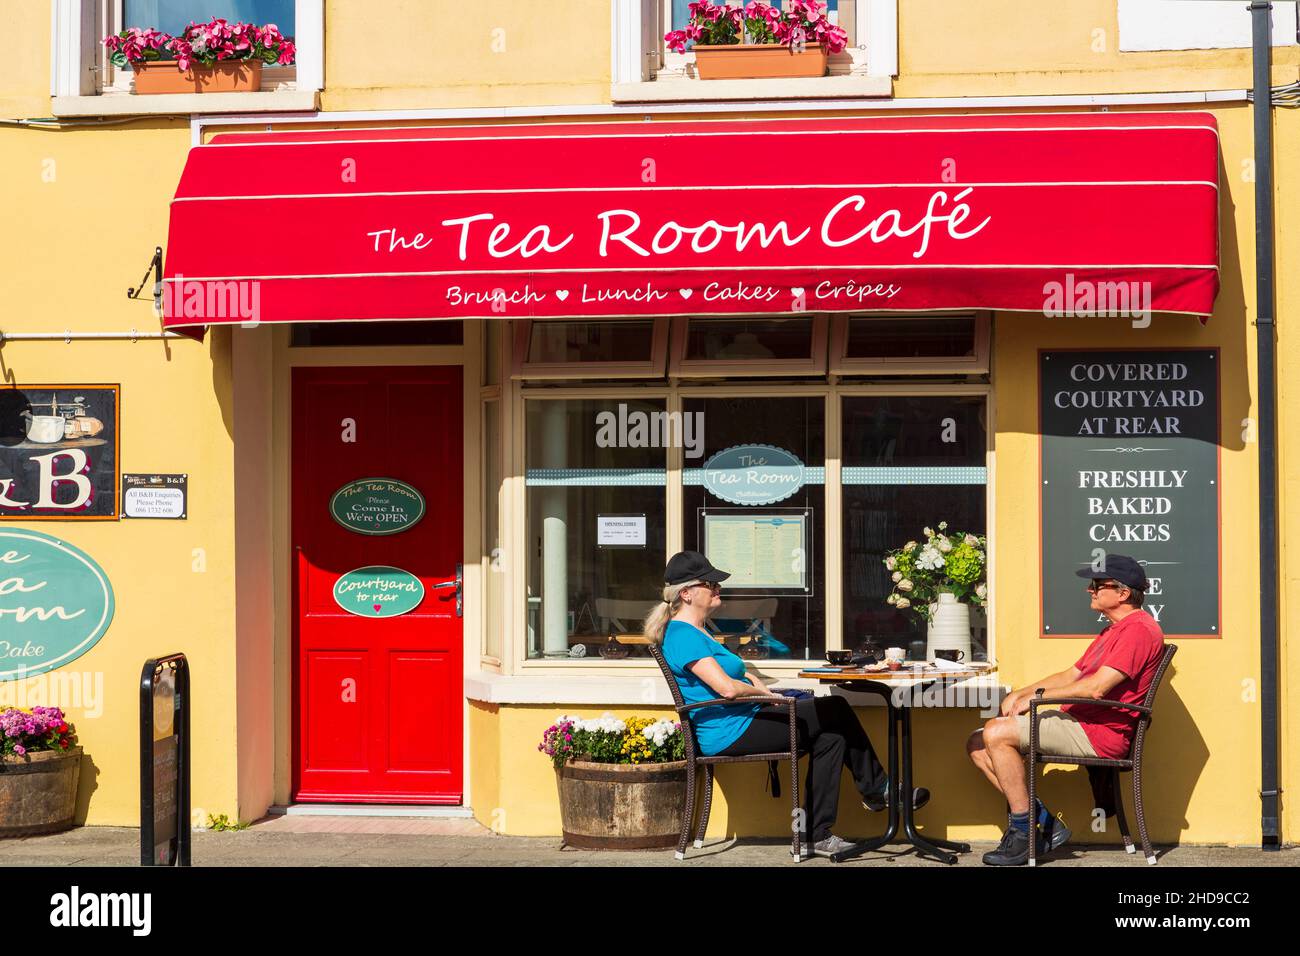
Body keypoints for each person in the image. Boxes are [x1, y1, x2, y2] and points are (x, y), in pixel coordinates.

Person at [645, 550, 929, 859]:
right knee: (836, 709)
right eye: (710, 583)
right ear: (686, 593)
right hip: (728, 732)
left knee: (832, 736)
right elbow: (725, 689)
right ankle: (878, 790)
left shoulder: (701, 631)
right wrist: (767, 696)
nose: (718, 588)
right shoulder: (682, 634)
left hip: (745, 719)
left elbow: (738, 675)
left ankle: (815, 835)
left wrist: (759, 686)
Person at [966, 554, 1167, 865]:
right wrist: (1022, 692)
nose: (1090, 590)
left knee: (995, 732)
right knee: (978, 743)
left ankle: (1024, 832)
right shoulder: (1112, 631)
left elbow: (1096, 688)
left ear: (1124, 593)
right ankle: (1044, 824)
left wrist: (1038, 698)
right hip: (1080, 722)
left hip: (1100, 734)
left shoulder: (1139, 631)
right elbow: (1072, 675)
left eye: (1098, 584)